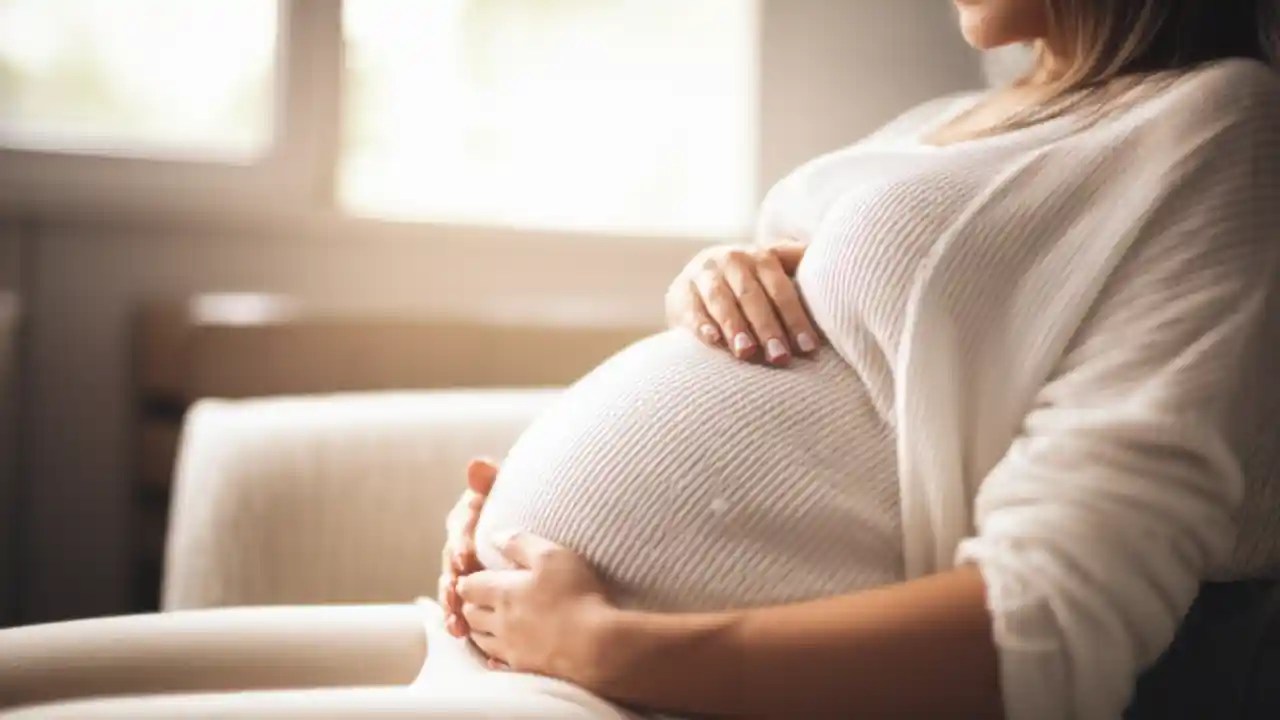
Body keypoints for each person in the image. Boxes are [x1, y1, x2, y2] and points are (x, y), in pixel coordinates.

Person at [4, 0, 1280, 717]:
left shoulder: (1219, 133)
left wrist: (614, 644)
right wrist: (719, 276)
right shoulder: (967, 116)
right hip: (490, 640)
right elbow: (881, 348)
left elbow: (1048, 628)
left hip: (618, 697)